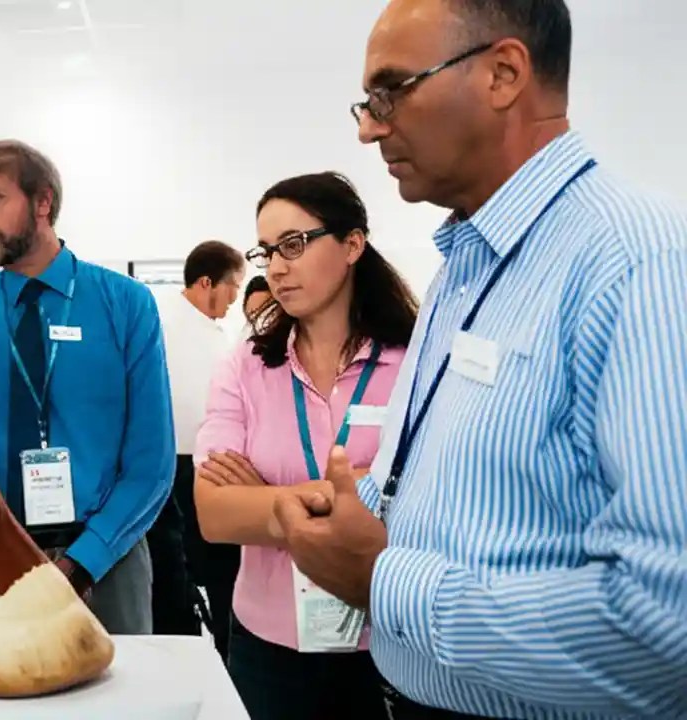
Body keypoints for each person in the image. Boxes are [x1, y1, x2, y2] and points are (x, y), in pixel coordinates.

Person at [276, 1, 687, 718]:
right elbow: (470, 492)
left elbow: (666, 620)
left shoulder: (638, 262)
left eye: (389, 92)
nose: (370, 126)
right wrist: (353, 512)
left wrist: (381, 576)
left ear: (503, 74)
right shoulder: (464, 268)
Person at [195, 172, 417, 719]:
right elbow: (214, 514)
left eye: (293, 245)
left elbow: (427, 496)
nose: (276, 266)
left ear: (352, 244)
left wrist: (270, 500)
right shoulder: (246, 367)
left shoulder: (413, 362)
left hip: (386, 636)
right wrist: (356, 490)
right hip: (267, 641)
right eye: (267, 251)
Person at [0, 139, 174, 634]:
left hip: (110, 559)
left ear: (42, 202)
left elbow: (152, 461)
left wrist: (84, 562)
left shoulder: (125, 305)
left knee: (119, 704)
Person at [150, 240, 244, 652]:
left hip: (209, 466)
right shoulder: (163, 321)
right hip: (173, 469)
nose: (235, 299)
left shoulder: (211, 333)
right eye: (233, 288)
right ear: (207, 282)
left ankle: (224, 647)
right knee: (182, 573)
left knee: (220, 574)